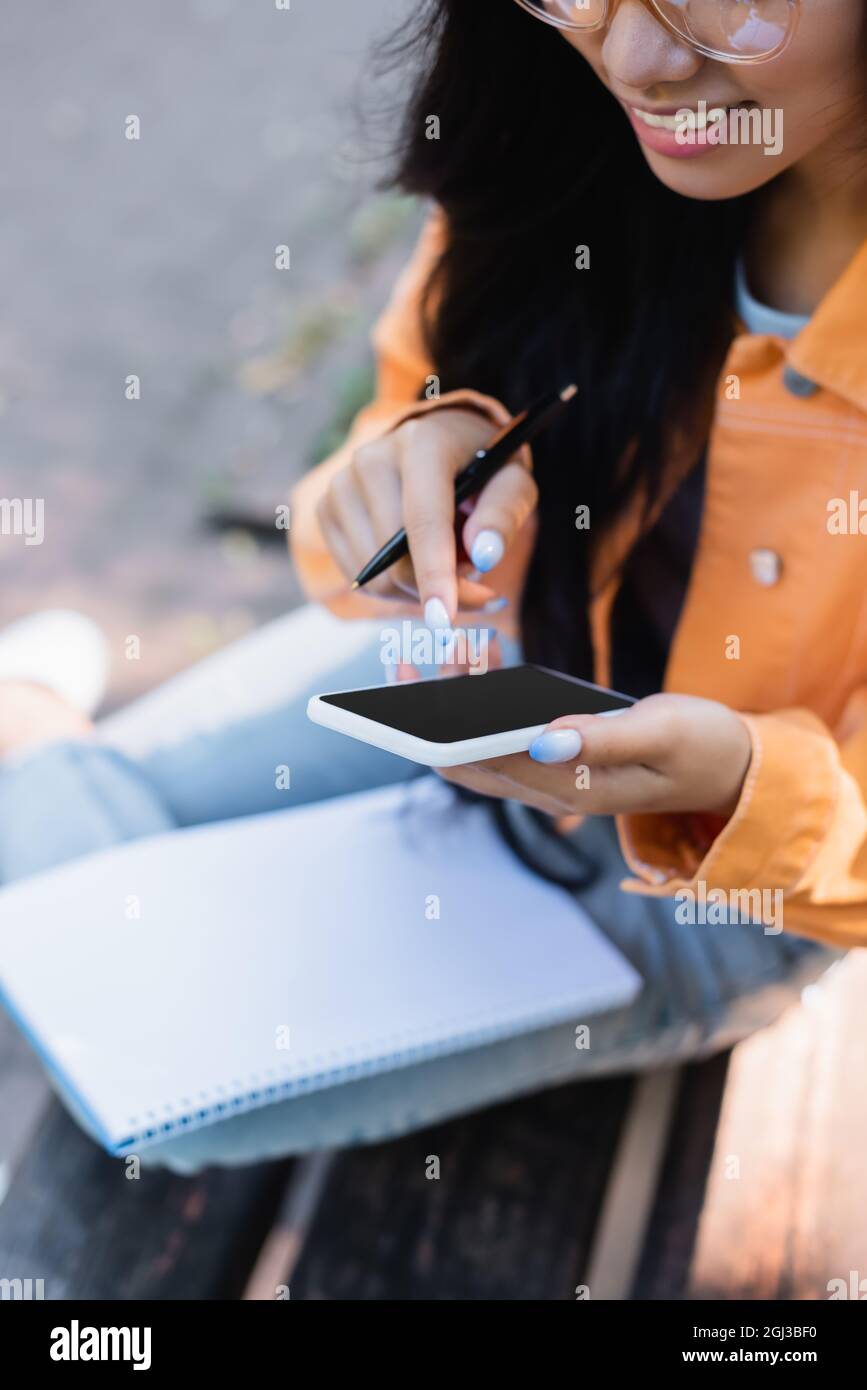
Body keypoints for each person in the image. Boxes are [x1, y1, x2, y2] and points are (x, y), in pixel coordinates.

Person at [2, 0, 863, 1171]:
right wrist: (424, 447)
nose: (638, 60)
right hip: (486, 668)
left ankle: (37, 727)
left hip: (718, 895)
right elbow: (365, 510)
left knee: (172, 1085)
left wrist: (741, 785)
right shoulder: (556, 136)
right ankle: (47, 741)